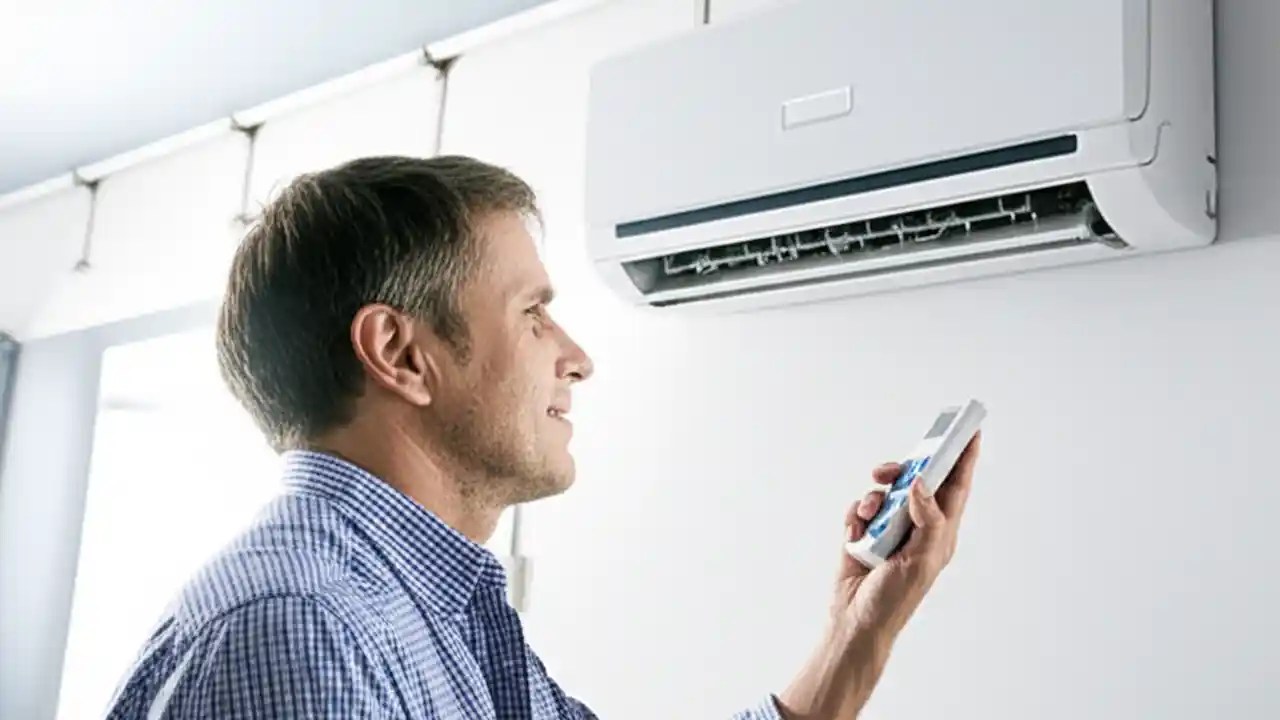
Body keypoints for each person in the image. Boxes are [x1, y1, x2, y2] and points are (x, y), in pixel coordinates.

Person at [104, 156, 981, 719]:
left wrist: (857, 632)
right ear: (401, 353)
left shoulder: (427, 608)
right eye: (533, 315)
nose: (578, 360)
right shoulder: (305, 630)